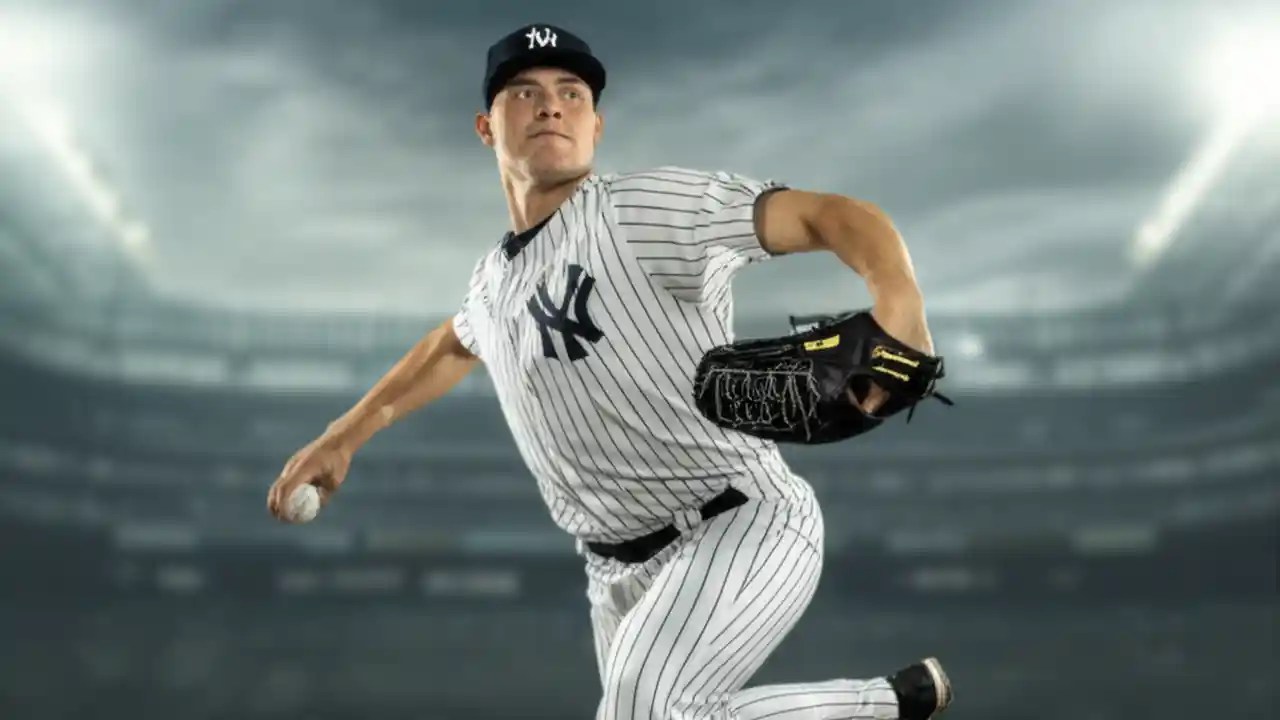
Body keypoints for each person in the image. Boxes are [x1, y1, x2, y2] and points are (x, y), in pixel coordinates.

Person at [267, 22, 953, 720]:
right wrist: (344, 435)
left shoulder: (642, 210)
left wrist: (899, 298)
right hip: (614, 575)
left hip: (740, 524)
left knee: (646, 715)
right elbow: (453, 343)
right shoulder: (492, 280)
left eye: (571, 92)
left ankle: (879, 706)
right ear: (486, 125)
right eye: (524, 92)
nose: (551, 106)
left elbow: (829, 216)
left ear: (596, 125)